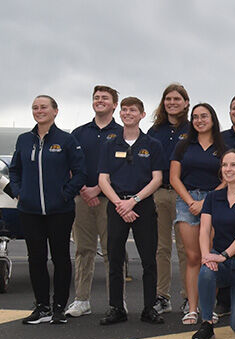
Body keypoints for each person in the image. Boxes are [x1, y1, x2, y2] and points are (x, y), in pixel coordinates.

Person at [12, 95, 85, 324]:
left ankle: (59, 308)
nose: (39, 110)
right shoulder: (24, 140)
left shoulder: (66, 140)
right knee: (36, 258)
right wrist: (18, 191)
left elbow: (81, 172)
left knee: (61, 258)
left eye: (44, 107)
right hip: (29, 211)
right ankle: (41, 307)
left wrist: (65, 194)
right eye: (35, 107)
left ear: (55, 111)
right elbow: (15, 170)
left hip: (60, 211)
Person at [98, 97, 165, 325]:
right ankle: (116, 307)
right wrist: (120, 204)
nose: (128, 113)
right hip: (117, 205)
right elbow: (103, 179)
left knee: (149, 259)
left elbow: (157, 179)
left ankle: (149, 308)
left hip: (143, 205)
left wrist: (134, 201)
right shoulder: (110, 144)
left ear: (142, 114)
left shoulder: (152, 144)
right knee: (115, 258)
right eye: (124, 110)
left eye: (133, 110)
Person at [191, 149, 235, 339]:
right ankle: (206, 323)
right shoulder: (213, 198)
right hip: (219, 260)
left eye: (234, 165)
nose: (228, 169)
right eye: (224, 165)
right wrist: (207, 255)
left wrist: (224, 255)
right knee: (206, 270)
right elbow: (205, 230)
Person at [65, 85, 123, 318]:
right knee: (83, 250)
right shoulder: (78, 133)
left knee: (112, 251)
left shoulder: (121, 133)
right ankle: (81, 300)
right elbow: (69, 165)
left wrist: (99, 188)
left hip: (110, 201)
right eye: (96, 98)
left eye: (105, 98)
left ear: (114, 104)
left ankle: (116, 303)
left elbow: (122, 167)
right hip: (82, 200)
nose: (100, 101)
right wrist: (83, 189)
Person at [170, 103, 228, 324]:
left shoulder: (223, 147)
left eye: (204, 116)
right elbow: (174, 177)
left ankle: (207, 309)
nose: (199, 120)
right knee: (193, 257)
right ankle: (192, 309)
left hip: (214, 201)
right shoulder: (184, 146)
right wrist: (191, 202)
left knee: (209, 257)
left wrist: (206, 202)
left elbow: (227, 178)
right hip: (187, 202)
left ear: (212, 119)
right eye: (195, 117)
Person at [147, 83, 190, 315]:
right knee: (161, 247)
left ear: (185, 102)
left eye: (177, 99)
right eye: (168, 99)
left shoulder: (194, 129)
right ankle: (162, 296)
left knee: (185, 249)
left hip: (184, 194)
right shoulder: (155, 131)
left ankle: (187, 296)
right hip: (160, 193)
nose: (172, 103)